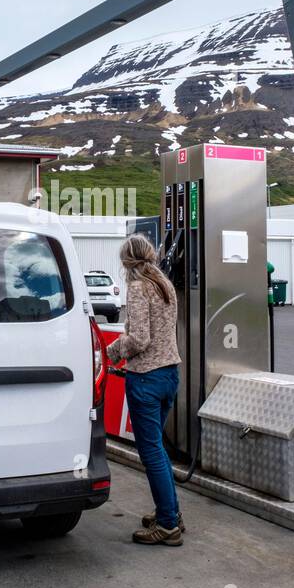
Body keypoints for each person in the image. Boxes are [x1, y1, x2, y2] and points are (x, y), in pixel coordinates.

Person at [105, 234, 184, 546]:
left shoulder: (138, 288)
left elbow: (139, 339)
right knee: (158, 448)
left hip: (147, 379)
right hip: (170, 375)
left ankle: (167, 526)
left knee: (150, 451)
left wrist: (111, 350)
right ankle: (170, 512)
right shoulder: (164, 283)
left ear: (127, 261)